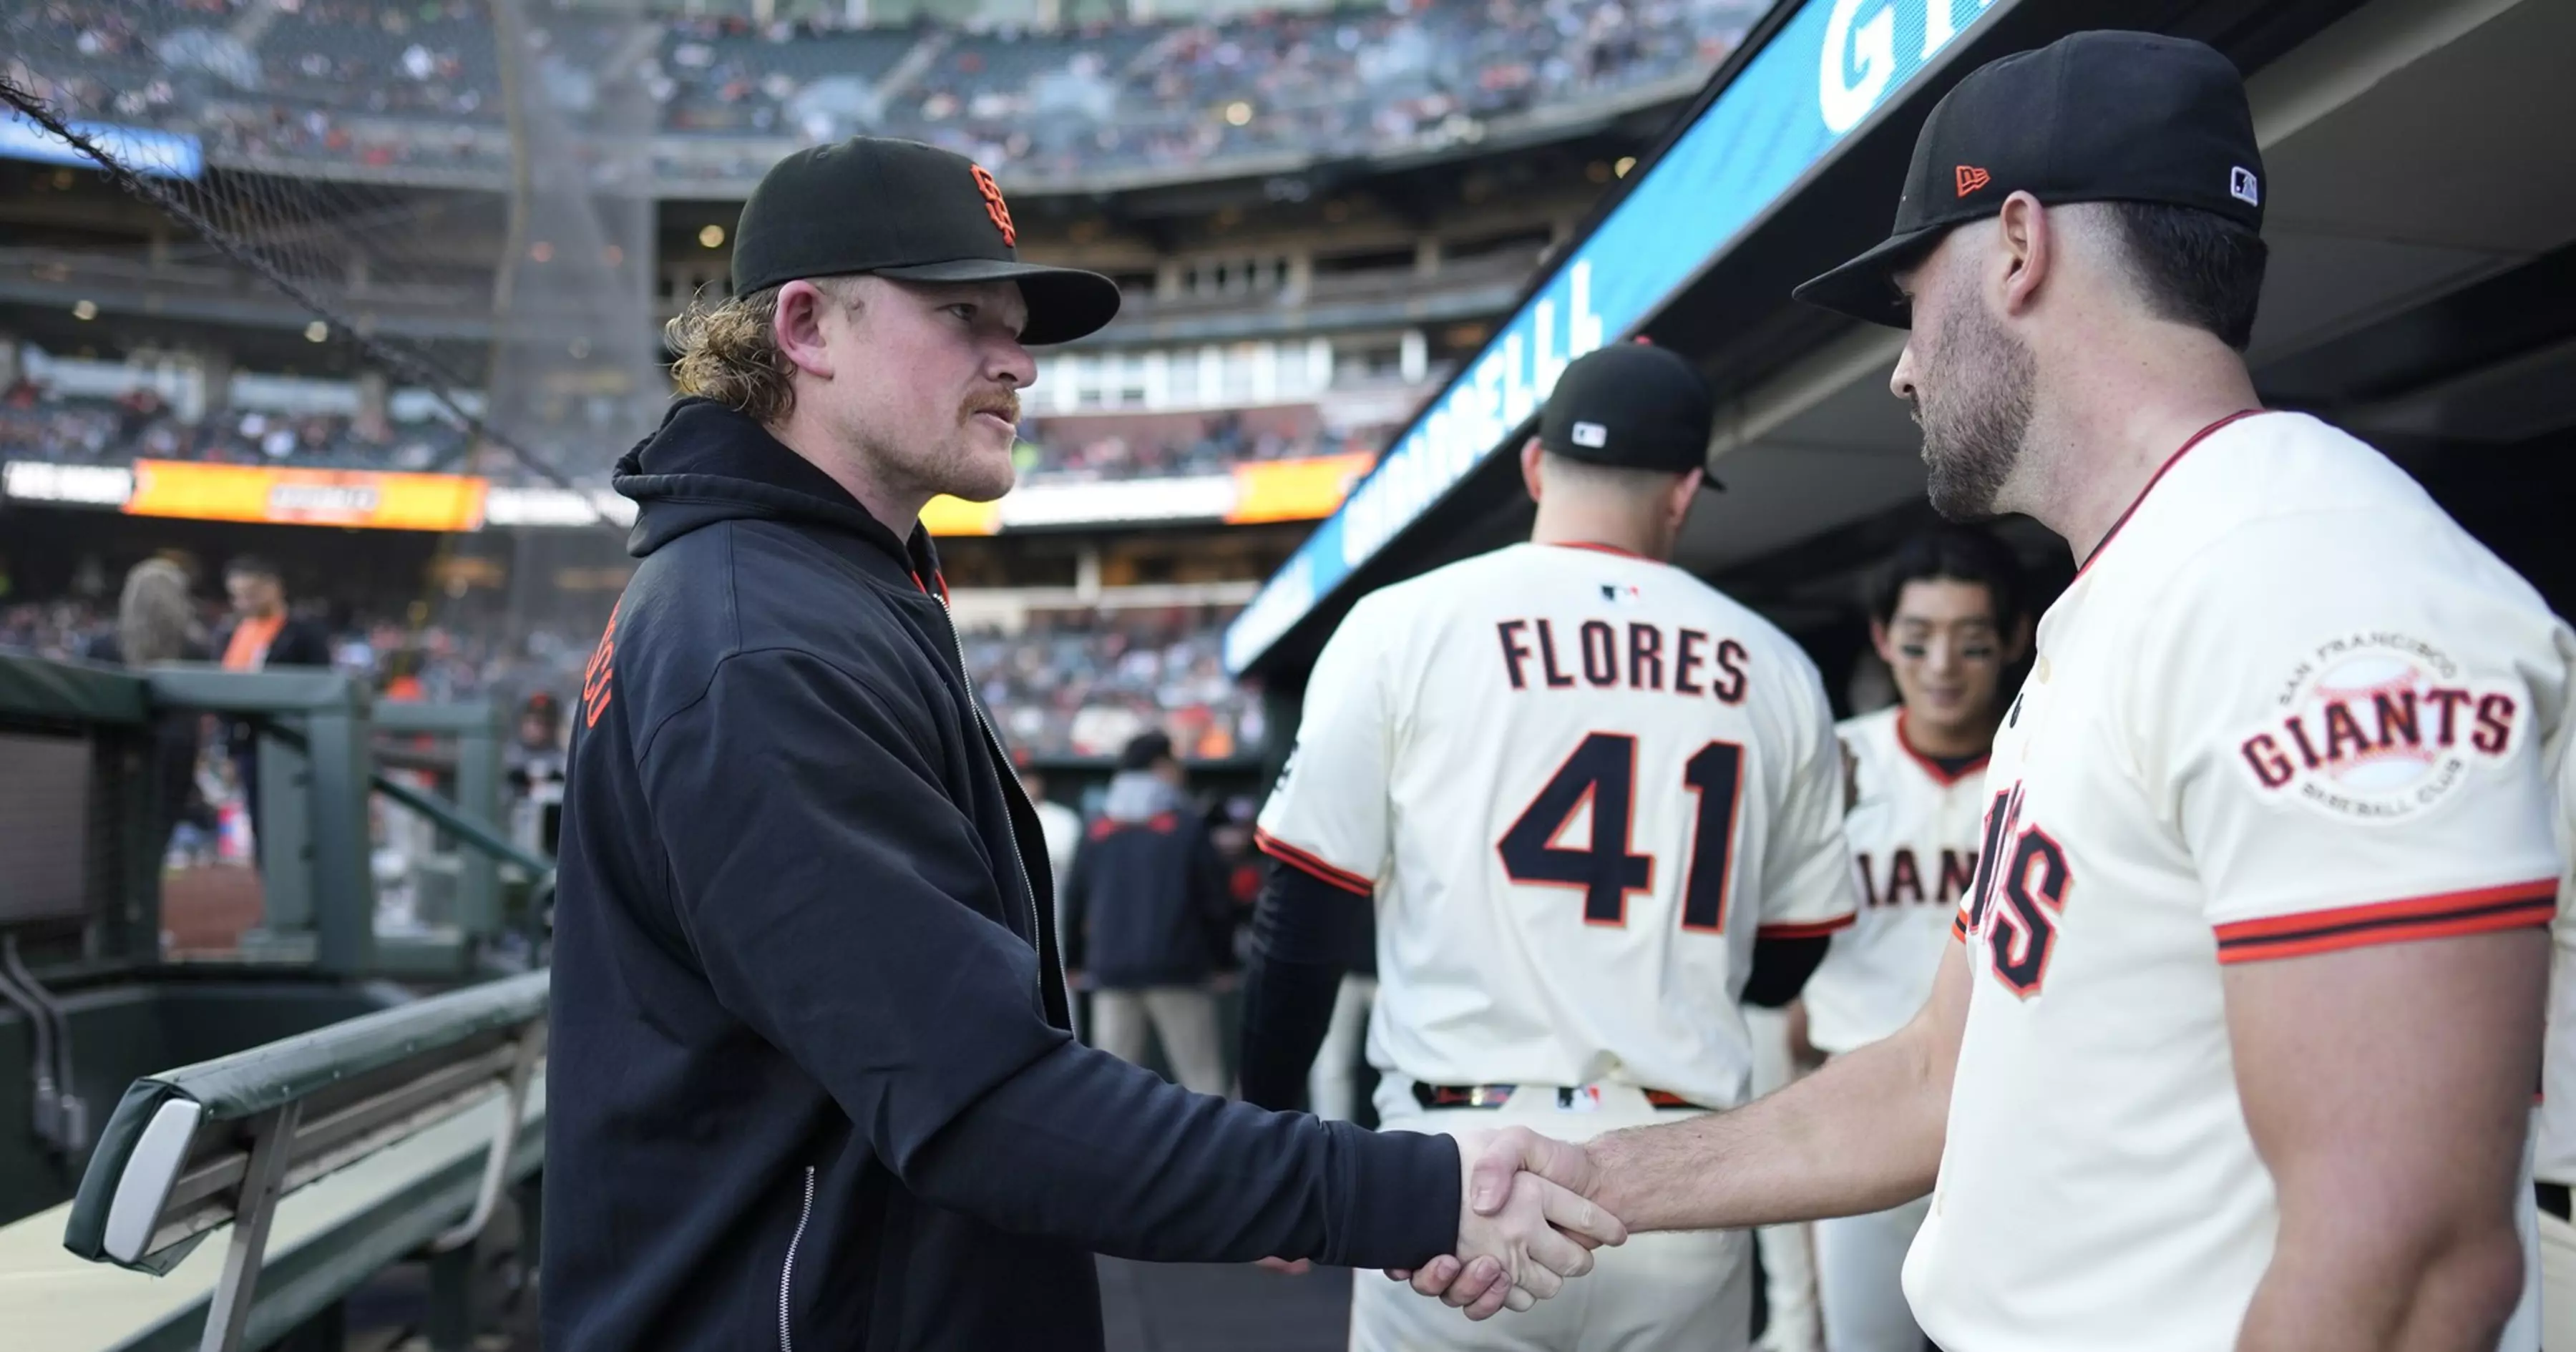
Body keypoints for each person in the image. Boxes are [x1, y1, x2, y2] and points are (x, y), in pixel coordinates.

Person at [1415, 31, 2576, 1349]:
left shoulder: (2304, 576)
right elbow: (1930, 1077)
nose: (1904, 365)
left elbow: (2415, 1266)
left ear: (2018, 247)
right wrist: (1599, 1177)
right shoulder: (2140, 590)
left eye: (1913, 298)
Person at [544, 136, 1621, 1352]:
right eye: (960, 315)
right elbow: (981, 1106)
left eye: (1016, 324)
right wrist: (1407, 1193)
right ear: (805, 328)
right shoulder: (762, 638)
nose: (1019, 363)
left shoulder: (815, 592)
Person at [1238, 340, 1860, 1348]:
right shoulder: (1777, 666)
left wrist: (1265, 1136)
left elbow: (1302, 911)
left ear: (1536, 466)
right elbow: (1792, 958)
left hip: (1455, 1169)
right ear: (1685, 490)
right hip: (1678, 1169)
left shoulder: (1402, 623)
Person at [1794, 527, 2026, 1352]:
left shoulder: (2044, 759)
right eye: (1918, 640)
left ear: (2009, 643)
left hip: (2014, 1122)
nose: (1941, 667)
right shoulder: (1835, 765)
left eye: (1970, 643)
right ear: (1883, 639)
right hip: (1863, 1104)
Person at [1063, 730, 1234, 1096]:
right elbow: (1215, 903)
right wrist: (1224, 961)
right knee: (1203, 1085)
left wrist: (1075, 961)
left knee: (1114, 1093)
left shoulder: (1098, 829)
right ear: (1161, 767)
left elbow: (1075, 901)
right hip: (1177, 971)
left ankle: (1110, 1157)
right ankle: (1217, 1157)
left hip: (1112, 971)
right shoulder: (1186, 826)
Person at [214, 555, 332, 865]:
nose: (243, 602)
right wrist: (227, 750)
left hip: (293, 747)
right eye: (236, 595)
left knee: (297, 831)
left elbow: (322, 689)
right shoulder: (231, 635)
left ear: (274, 587)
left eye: (250, 592)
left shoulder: (304, 633)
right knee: (262, 833)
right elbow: (222, 698)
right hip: (249, 749)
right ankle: (276, 906)